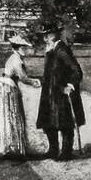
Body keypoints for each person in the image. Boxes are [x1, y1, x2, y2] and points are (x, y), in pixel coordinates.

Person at [0, 34, 39, 159]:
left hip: (3, 86)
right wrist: (35, 82)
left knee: (5, 116)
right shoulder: (17, 60)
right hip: (8, 88)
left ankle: (5, 147)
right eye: (24, 48)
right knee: (9, 115)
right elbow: (23, 78)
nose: (26, 50)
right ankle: (8, 148)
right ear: (18, 48)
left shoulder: (13, 58)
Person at [37, 24, 85, 160]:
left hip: (60, 92)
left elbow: (76, 70)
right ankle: (53, 150)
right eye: (44, 35)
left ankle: (66, 152)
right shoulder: (52, 49)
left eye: (47, 34)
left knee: (64, 123)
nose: (44, 38)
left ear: (53, 35)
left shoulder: (61, 50)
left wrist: (70, 85)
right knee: (48, 122)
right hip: (49, 91)